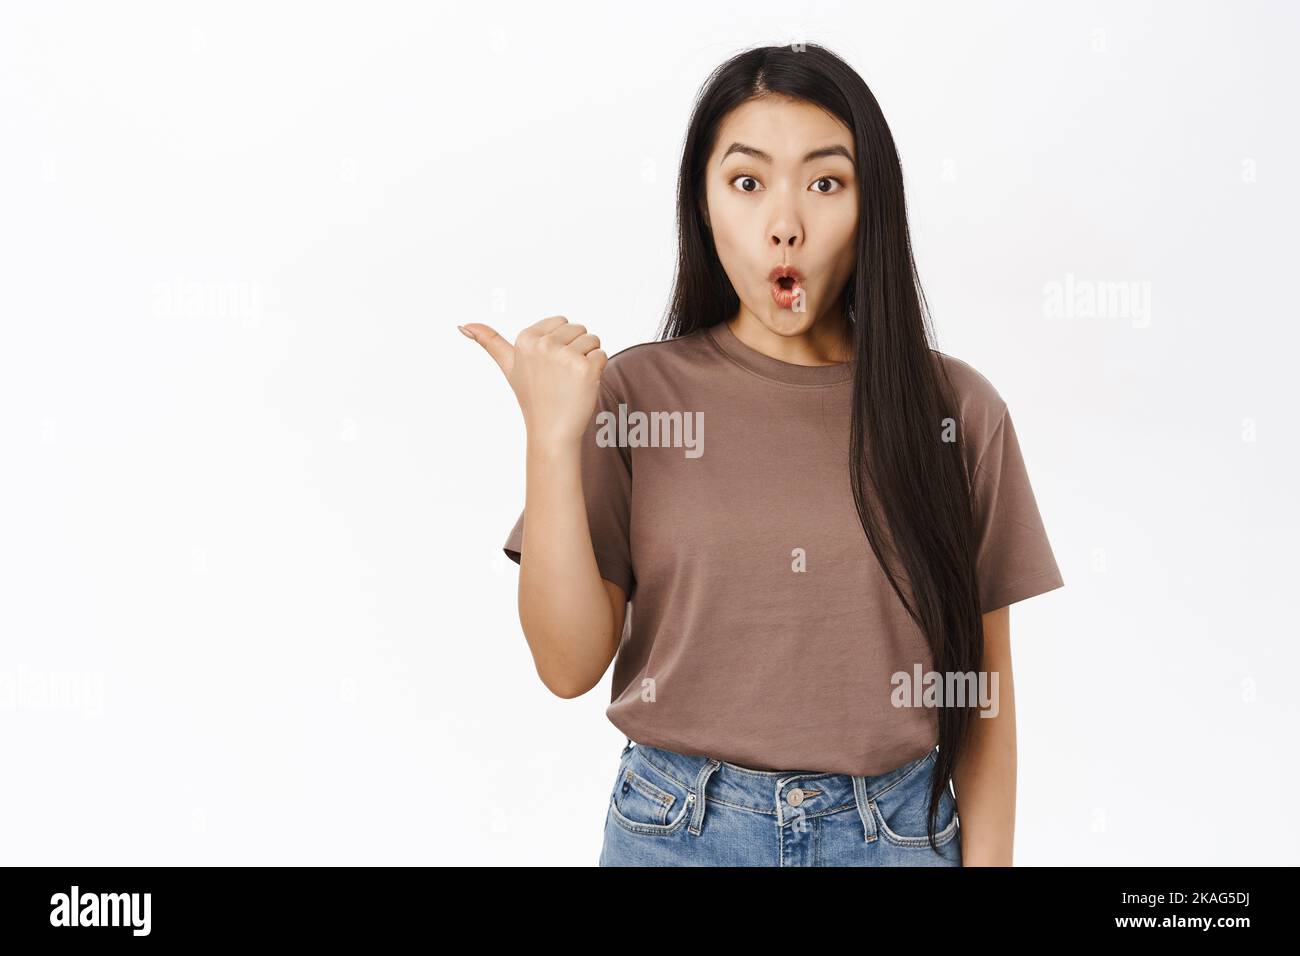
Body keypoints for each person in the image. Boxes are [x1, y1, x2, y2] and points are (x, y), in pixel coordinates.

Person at [460, 43, 1064, 866]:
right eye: (748, 183)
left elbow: (983, 694)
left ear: (871, 206)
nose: (786, 223)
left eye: (825, 183)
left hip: (895, 836)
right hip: (676, 834)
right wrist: (551, 440)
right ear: (704, 206)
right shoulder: (637, 397)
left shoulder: (956, 412)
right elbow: (567, 667)